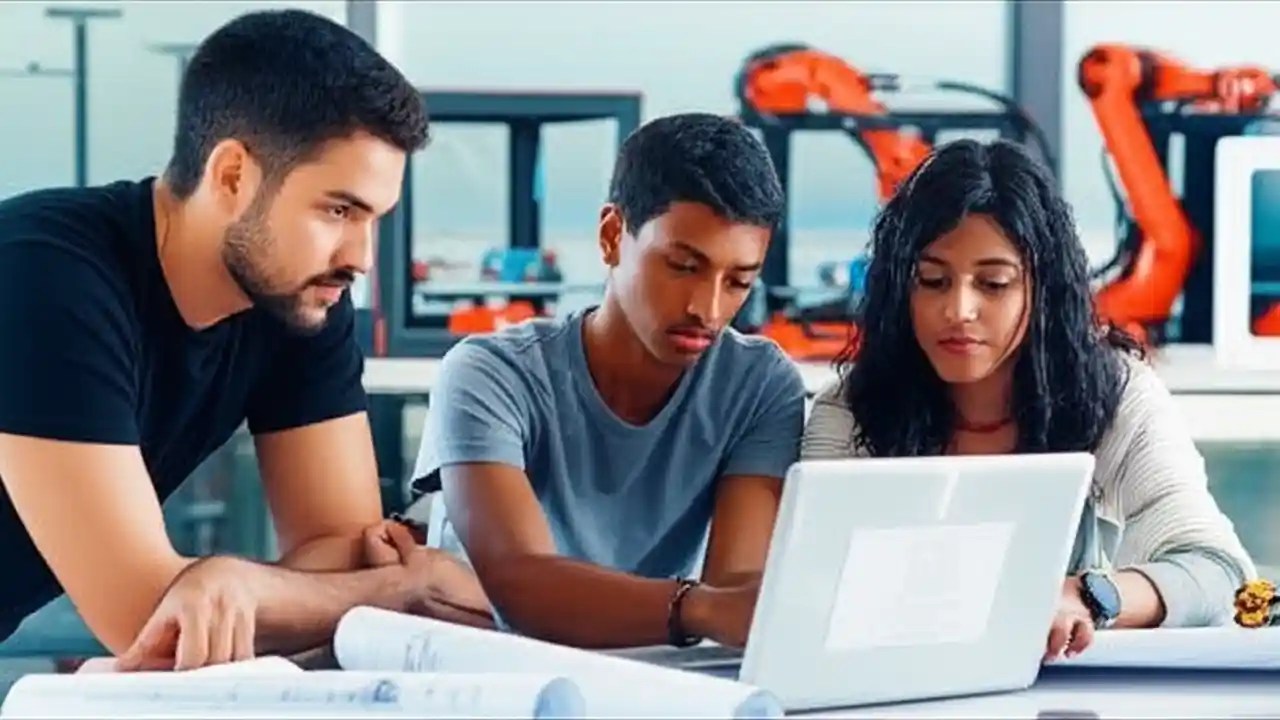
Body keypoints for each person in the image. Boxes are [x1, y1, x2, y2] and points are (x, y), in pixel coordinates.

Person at [0, 9, 484, 672]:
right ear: (232, 175)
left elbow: (345, 550)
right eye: (338, 210)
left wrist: (239, 586)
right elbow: (147, 617)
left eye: (373, 218)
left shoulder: (297, 298)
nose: (361, 257)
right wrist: (404, 589)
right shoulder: (41, 275)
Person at [801, 138, 1257, 661]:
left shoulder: (1117, 395)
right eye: (932, 280)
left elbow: (1219, 572)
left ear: (1044, 290)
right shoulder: (852, 410)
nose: (959, 309)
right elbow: (809, 585)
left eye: (994, 284)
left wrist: (1085, 597)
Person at [411, 112, 807, 650]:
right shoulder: (488, 374)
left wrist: (719, 610)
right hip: (499, 673)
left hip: (663, 677)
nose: (708, 309)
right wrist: (698, 608)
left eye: (738, 281)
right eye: (682, 266)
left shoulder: (760, 386)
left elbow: (738, 596)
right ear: (612, 236)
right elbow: (521, 585)